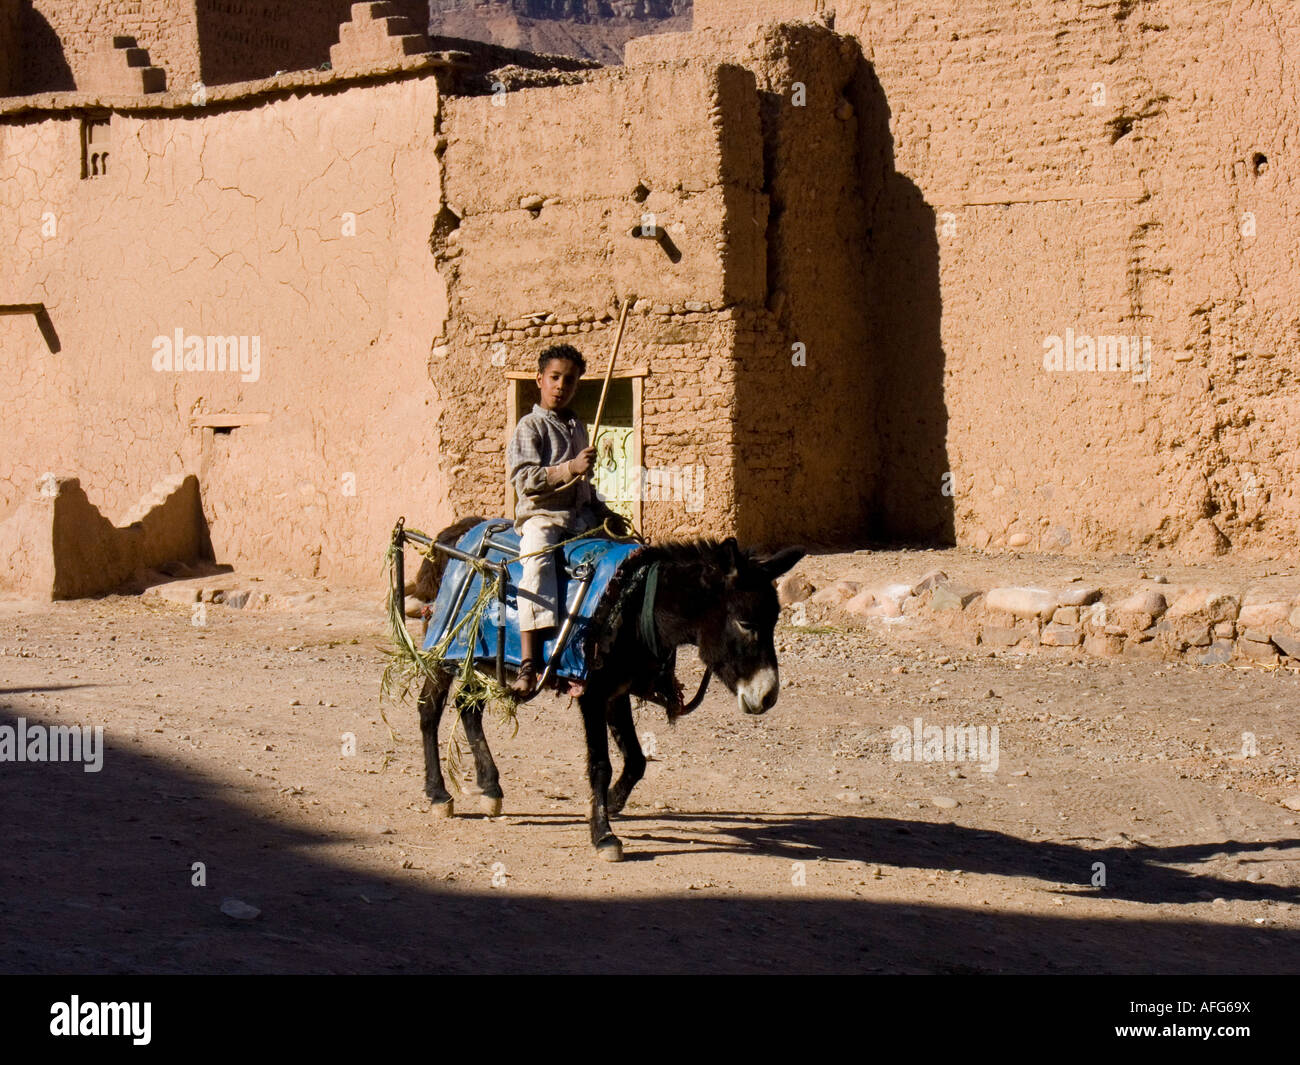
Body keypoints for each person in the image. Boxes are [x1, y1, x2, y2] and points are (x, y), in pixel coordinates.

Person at [506, 344, 629, 696]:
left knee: (624, 561)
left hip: (579, 518)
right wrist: (569, 467)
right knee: (537, 564)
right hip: (542, 516)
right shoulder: (529, 427)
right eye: (555, 378)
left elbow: (584, 486)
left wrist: (605, 512)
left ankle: (595, 652)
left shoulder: (578, 426)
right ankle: (529, 662)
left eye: (570, 380)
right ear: (539, 379)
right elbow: (526, 481)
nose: (561, 385)